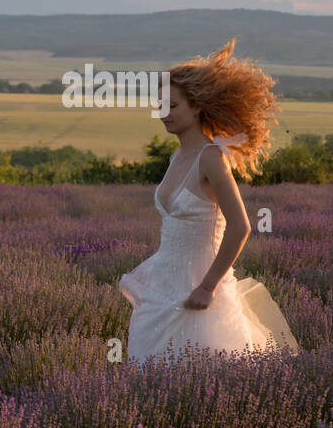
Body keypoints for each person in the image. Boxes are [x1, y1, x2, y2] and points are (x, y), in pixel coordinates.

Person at [119, 38, 299, 364]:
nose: (163, 113)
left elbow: (240, 226)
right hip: (163, 284)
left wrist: (207, 287)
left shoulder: (211, 158)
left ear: (197, 106)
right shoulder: (177, 156)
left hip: (200, 291)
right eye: (160, 105)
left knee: (206, 372)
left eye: (172, 106)